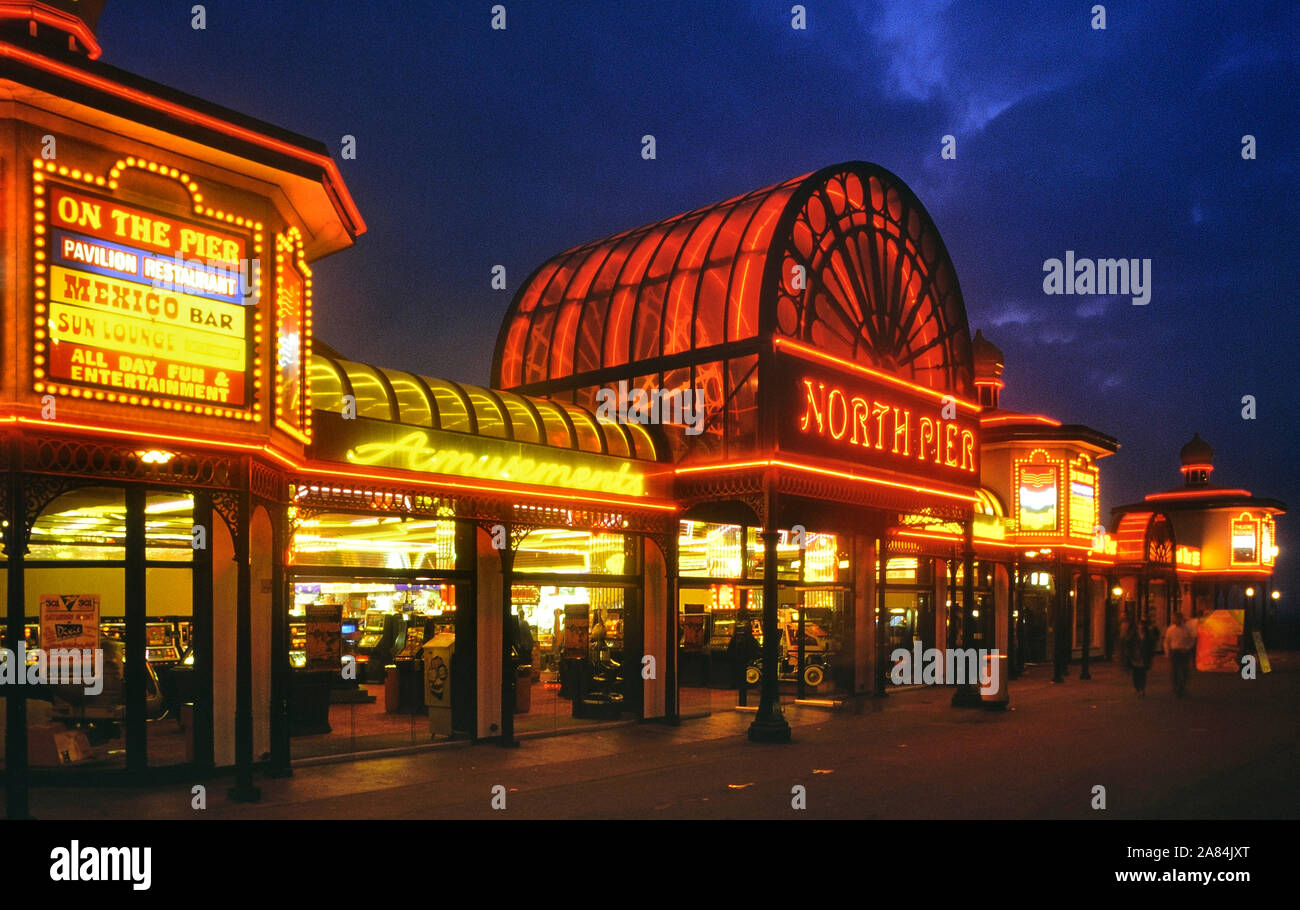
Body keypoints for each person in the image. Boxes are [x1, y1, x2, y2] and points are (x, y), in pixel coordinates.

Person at [1163, 610, 1196, 697]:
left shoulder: (1187, 628)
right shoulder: (1170, 629)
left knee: (1184, 671)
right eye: (1174, 618)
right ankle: (1176, 687)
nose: (1175, 620)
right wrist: (1167, 653)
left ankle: (1182, 686)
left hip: (1184, 651)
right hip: (1175, 652)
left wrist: (1188, 648)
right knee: (1175, 671)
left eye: (1177, 618)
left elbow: (1192, 639)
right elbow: (1167, 641)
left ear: (1181, 619)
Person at [1121, 621, 1147, 695]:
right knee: (1136, 673)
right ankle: (1137, 688)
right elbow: (1128, 643)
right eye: (1140, 626)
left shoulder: (1147, 635)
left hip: (1143, 657)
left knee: (1142, 673)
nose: (1141, 627)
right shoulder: (1133, 635)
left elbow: (1149, 645)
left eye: (1142, 626)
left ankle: (1142, 688)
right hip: (1135, 656)